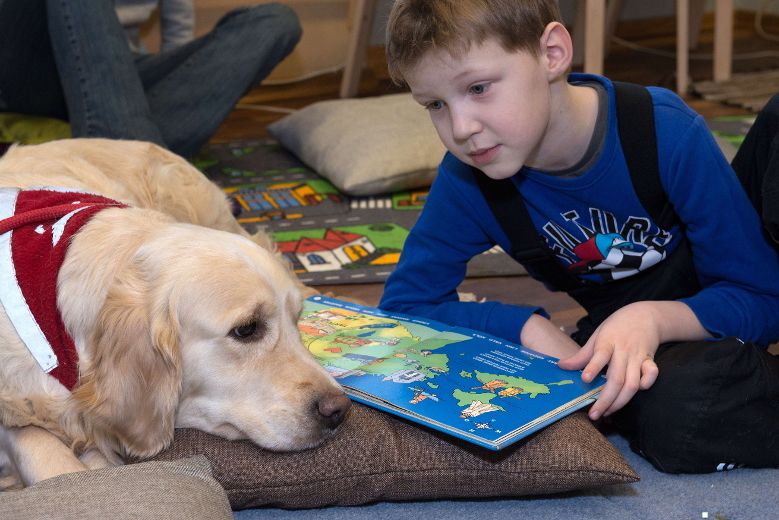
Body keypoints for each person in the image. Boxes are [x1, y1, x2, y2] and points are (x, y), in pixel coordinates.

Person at [380, 0, 779, 472]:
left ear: (552, 53)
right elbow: (404, 311)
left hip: (741, 283)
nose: (461, 128)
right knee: (678, 419)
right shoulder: (469, 181)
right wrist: (526, 327)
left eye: (479, 88)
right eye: (436, 104)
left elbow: (763, 299)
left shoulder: (663, 130)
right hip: (645, 335)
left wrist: (653, 318)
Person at [0, 0, 301, 158]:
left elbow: (178, 34)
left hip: (119, 74)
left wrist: (181, 84)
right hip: (30, 72)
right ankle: (135, 153)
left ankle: (126, 147)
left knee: (277, 23)